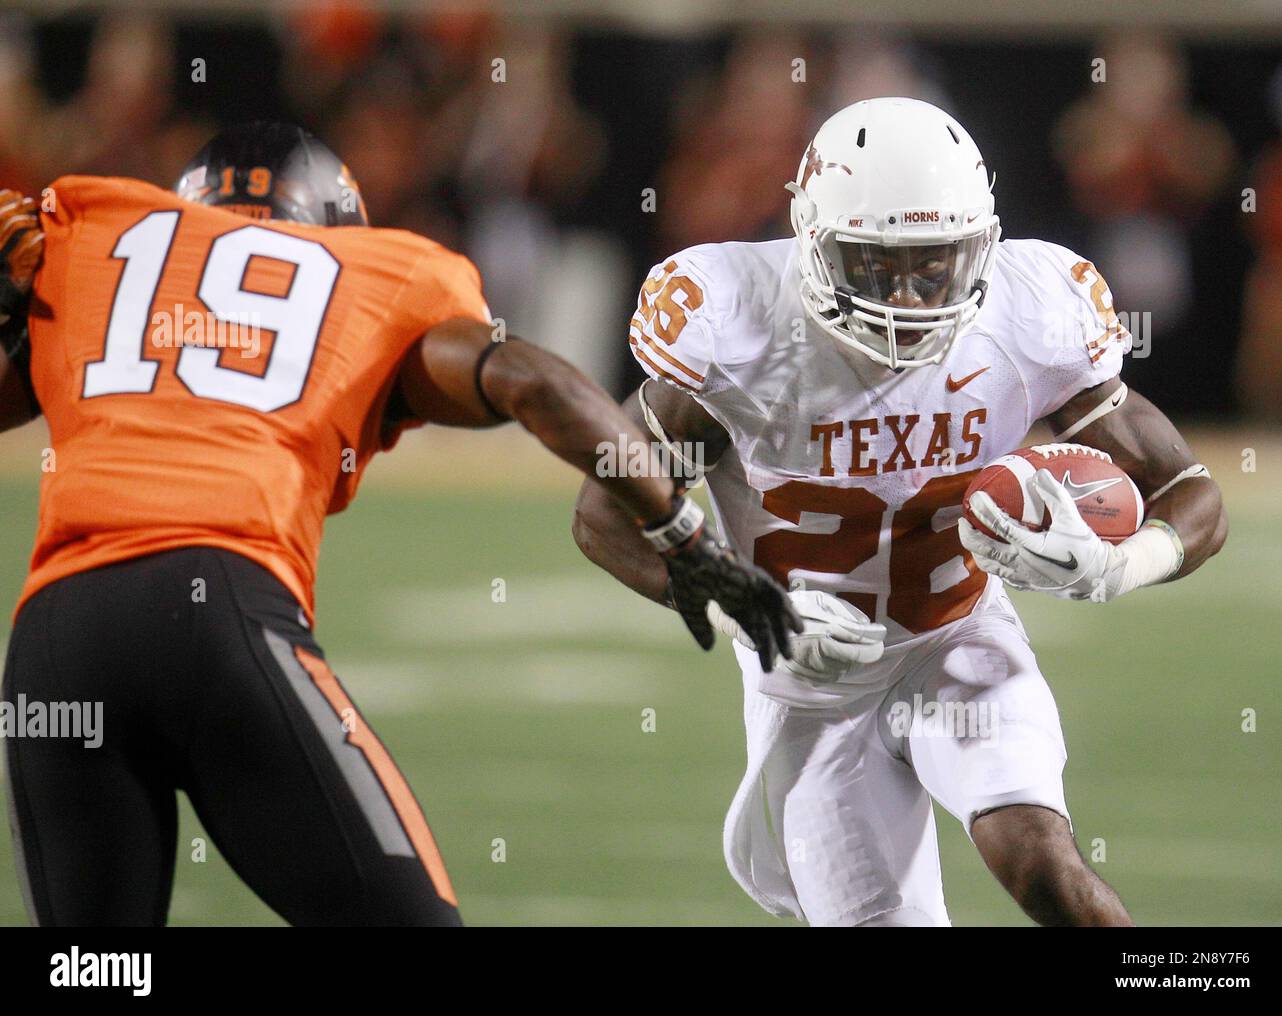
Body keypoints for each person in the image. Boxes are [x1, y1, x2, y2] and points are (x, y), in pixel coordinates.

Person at [0, 122, 798, 927]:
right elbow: (536, 385)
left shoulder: (87, 235)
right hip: (220, 615)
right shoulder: (375, 272)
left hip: (55, 644)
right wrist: (679, 532)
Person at [573, 98, 1228, 926]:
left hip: (959, 633)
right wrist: (751, 609)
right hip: (812, 689)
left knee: (1046, 866)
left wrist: (1122, 564)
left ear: (982, 247)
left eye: (937, 265)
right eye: (878, 266)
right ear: (813, 242)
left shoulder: (1027, 311)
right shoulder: (737, 323)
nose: (912, 297)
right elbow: (603, 514)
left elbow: (1190, 489)